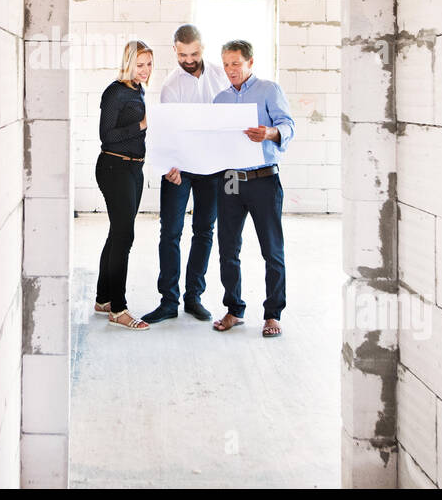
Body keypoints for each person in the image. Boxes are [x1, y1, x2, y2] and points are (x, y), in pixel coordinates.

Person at [141, 24, 230, 325]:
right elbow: (168, 132)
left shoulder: (220, 77)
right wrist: (169, 167)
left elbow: (228, 123)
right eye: (182, 54)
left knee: (205, 232)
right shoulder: (171, 85)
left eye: (193, 53)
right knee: (171, 232)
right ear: (175, 50)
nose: (188, 60)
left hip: (213, 170)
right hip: (180, 170)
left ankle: (194, 297)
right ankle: (168, 300)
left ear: (202, 48)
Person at [211, 40, 295, 339]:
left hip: (263, 179)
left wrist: (270, 132)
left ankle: (273, 314)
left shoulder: (269, 90)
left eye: (236, 63)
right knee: (228, 249)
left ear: (250, 63)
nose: (230, 69)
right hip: (231, 180)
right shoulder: (219, 99)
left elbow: (288, 126)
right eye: (226, 64)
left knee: (272, 250)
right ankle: (234, 309)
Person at [94, 40, 153, 331]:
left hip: (133, 168)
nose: (145, 70)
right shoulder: (115, 91)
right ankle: (118, 309)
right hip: (114, 167)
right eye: (139, 64)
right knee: (124, 237)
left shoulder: (138, 90)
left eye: (149, 64)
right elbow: (106, 136)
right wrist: (141, 126)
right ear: (127, 63)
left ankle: (103, 298)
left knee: (117, 233)